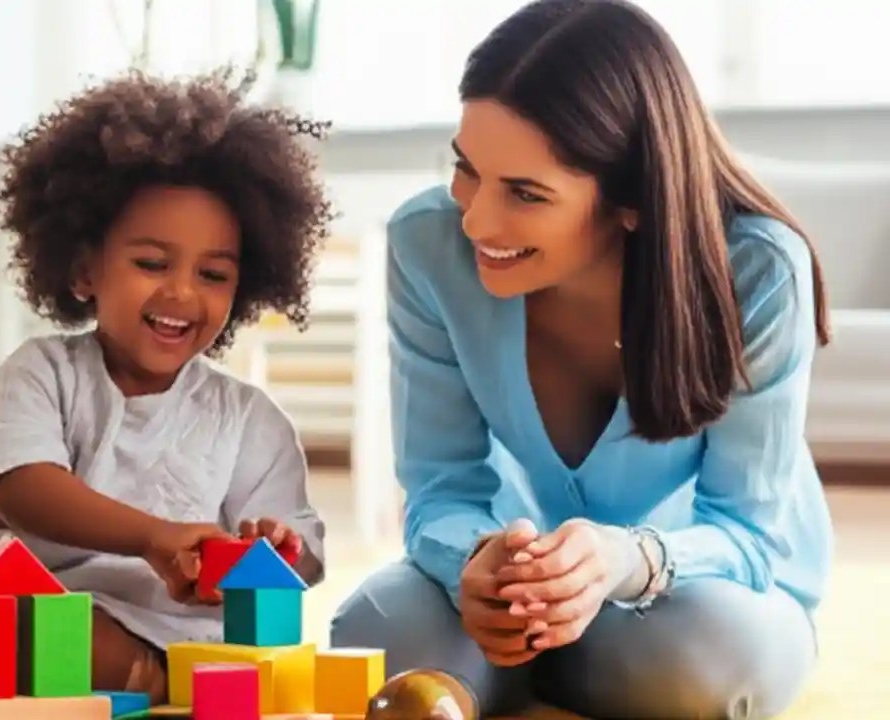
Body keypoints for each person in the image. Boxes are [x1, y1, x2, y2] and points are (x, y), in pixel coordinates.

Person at [329, 1, 832, 718]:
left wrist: (623, 561)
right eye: (467, 168)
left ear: (632, 199)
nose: (475, 220)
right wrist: (474, 562)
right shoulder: (428, 246)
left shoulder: (756, 271)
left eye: (525, 193)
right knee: (371, 634)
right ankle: (545, 659)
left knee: (711, 665)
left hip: (694, 587)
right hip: (515, 573)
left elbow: (748, 532)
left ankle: (515, 671)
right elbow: (441, 489)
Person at [0, 67, 332, 702]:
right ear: (85, 270)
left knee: (66, 645)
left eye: (213, 274)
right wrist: (151, 536)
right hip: (41, 610)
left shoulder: (249, 419)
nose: (182, 293)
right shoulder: (39, 373)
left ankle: (163, 683)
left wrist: (275, 551)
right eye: (152, 263)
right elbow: (20, 489)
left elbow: (302, 554)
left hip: (176, 634)